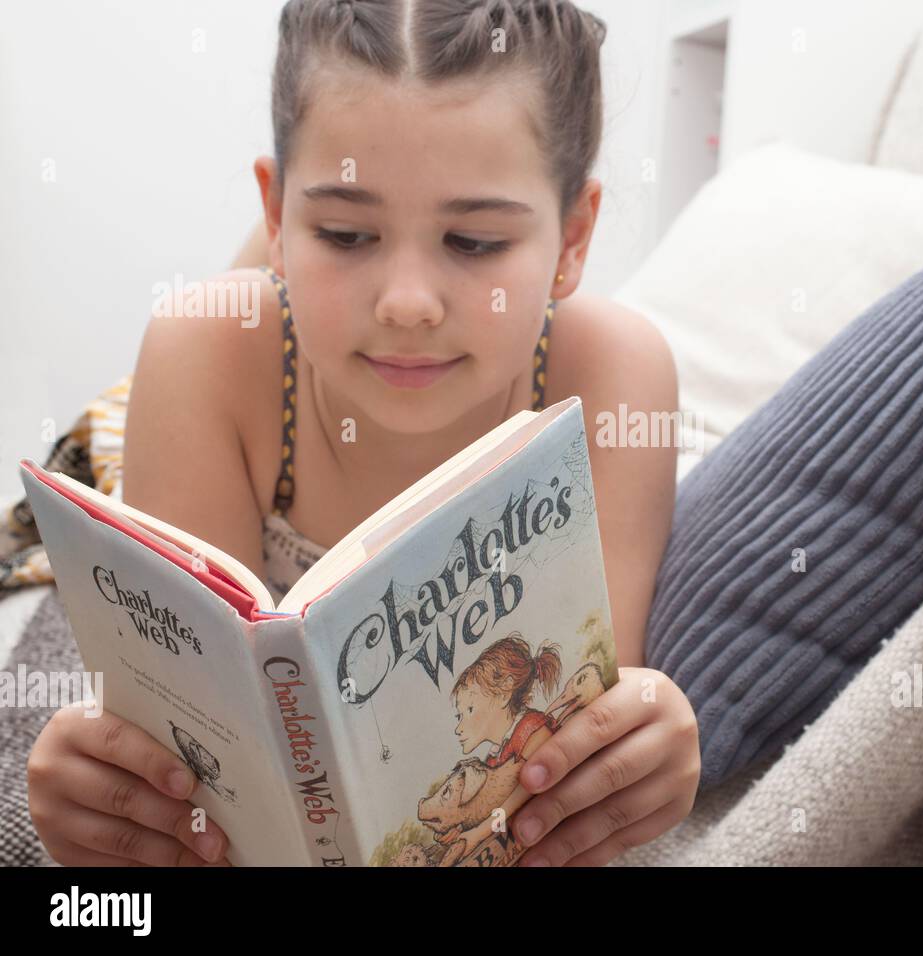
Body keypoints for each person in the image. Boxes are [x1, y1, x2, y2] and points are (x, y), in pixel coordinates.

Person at [25, 0, 699, 868]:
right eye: (345, 233)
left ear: (573, 239)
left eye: (474, 241)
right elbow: (194, 758)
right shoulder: (203, 351)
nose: (407, 302)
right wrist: (114, 810)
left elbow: (581, 733)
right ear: (275, 215)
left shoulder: (616, 373)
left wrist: (645, 744)